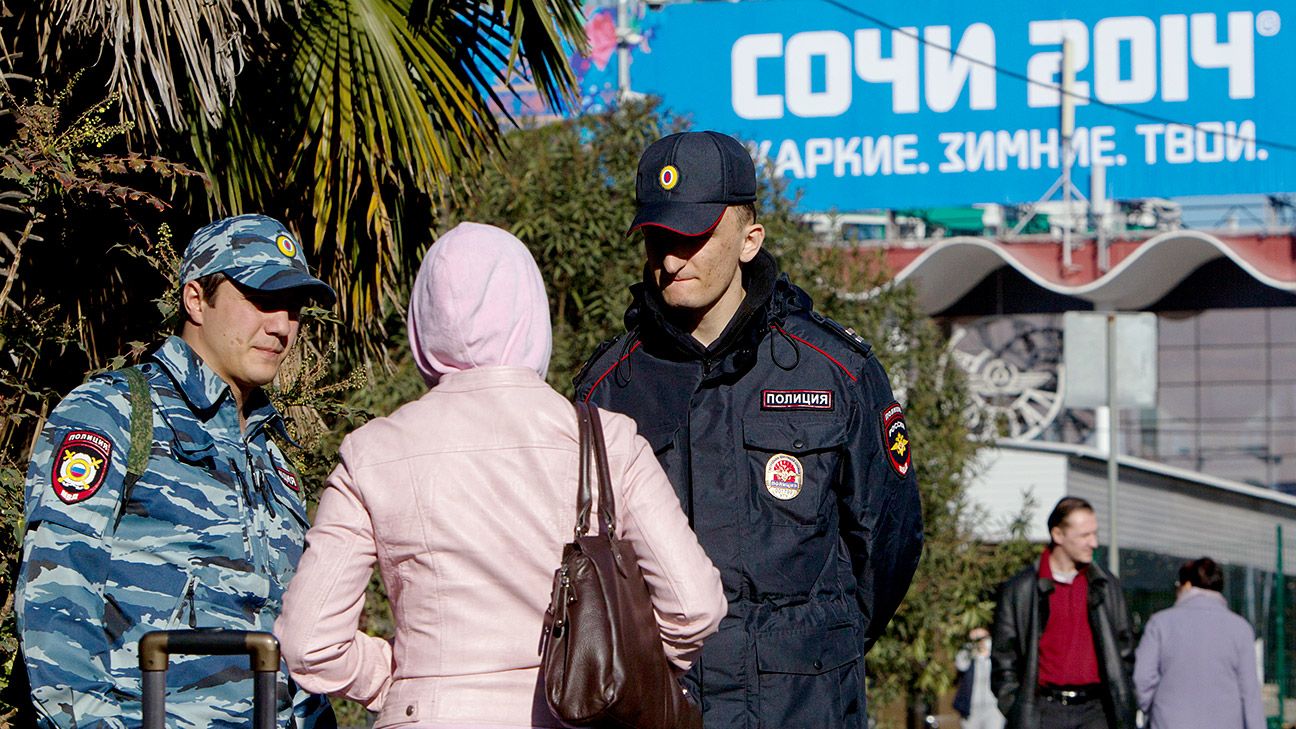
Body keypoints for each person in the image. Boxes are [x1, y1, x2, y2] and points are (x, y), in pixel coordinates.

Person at [275, 222, 726, 728]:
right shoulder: (607, 440)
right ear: (532, 314)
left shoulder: (371, 452)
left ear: (422, 324)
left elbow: (308, 641)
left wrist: (398, 678)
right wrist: (609, 669)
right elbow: (695, 608)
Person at [572, 130, 924, 727]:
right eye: (659, 237)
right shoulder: (607, 388)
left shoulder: (837, 371)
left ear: (749, 239)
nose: (673, 258)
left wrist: (815, 644)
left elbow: (888, 541)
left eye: (695, 236)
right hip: (660, 705)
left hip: (804, 705)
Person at [16, 214, 337, 728]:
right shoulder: (115, 412)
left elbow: (292, 631)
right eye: (260, 298)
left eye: (293, 308)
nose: (281, 325)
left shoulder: (273, 458)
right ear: (195, 299)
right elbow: (56, 593)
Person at [990, 496, 1136, 729]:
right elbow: (1003, 657)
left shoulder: (1106, 586)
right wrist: (1015, 706)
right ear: (1058, 535)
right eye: (1085, 536)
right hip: (1044, 713)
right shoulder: (1020, 589)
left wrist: (1124, 696)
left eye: (1095, 534)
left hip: (1097, 713)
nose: (1094, 543)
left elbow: (1125, 650)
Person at [1133, 557, 1265, 729]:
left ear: (1186, 585)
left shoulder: (1160, 623)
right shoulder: (1240, 629)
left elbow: (1142, 678)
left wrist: (1156, 706)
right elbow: (1250, 694)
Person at [955, 627, 1006, 729]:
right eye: (976, 639)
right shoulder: (970, 655)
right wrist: (971, 647)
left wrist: (987, 651)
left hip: (993, 707)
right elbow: (961, 665)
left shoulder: (995, 654)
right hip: (972, 708)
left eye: (983, 637)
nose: (980, 641)